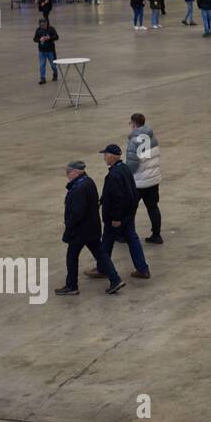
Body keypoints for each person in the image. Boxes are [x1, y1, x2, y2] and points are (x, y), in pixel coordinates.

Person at [54, 160, 123, 296]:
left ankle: (72, 285)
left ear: (76, 172)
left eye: (68, 172)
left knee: (72, 256)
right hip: (91, 228)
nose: (67, 175)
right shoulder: (88, 181)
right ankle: (115, 279)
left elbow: (78, 212)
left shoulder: (79, 188)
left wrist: (69, 223)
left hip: (80, 230)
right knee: (100, 254)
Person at [88, 144, 150, 282]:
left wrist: (116, 217)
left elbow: (118, 198)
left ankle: (102, 268)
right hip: (128, 214)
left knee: (106, 242)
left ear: (113, 156)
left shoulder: (115, 174)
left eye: (106, 155)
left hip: (117, 217)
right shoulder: (124, 168)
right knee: (132, 240)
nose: (104, 158)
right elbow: (133, 191)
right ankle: (142, 268)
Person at [127, 113, 164, 245]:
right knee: (153, 207)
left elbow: (132, 164)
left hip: (138, 182)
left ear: (134, 124)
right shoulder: (152, 137)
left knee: (129, 209)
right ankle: (156, 234)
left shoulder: (134, 140)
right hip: (153, 180)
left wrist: (125, 173)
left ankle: (128, 235)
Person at [33, 19, 60, 85]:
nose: (42, 26)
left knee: (53, 65)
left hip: (50, 51)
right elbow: (35, 39)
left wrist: (49, 37)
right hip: (41, 51)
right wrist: (40, 39)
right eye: (41, 25)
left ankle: (55, 74)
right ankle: (42, 78)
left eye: (44, 25)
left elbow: (57, 37)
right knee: (42, 65)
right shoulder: (38, 30)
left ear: (46, 23)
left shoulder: (51, 29)